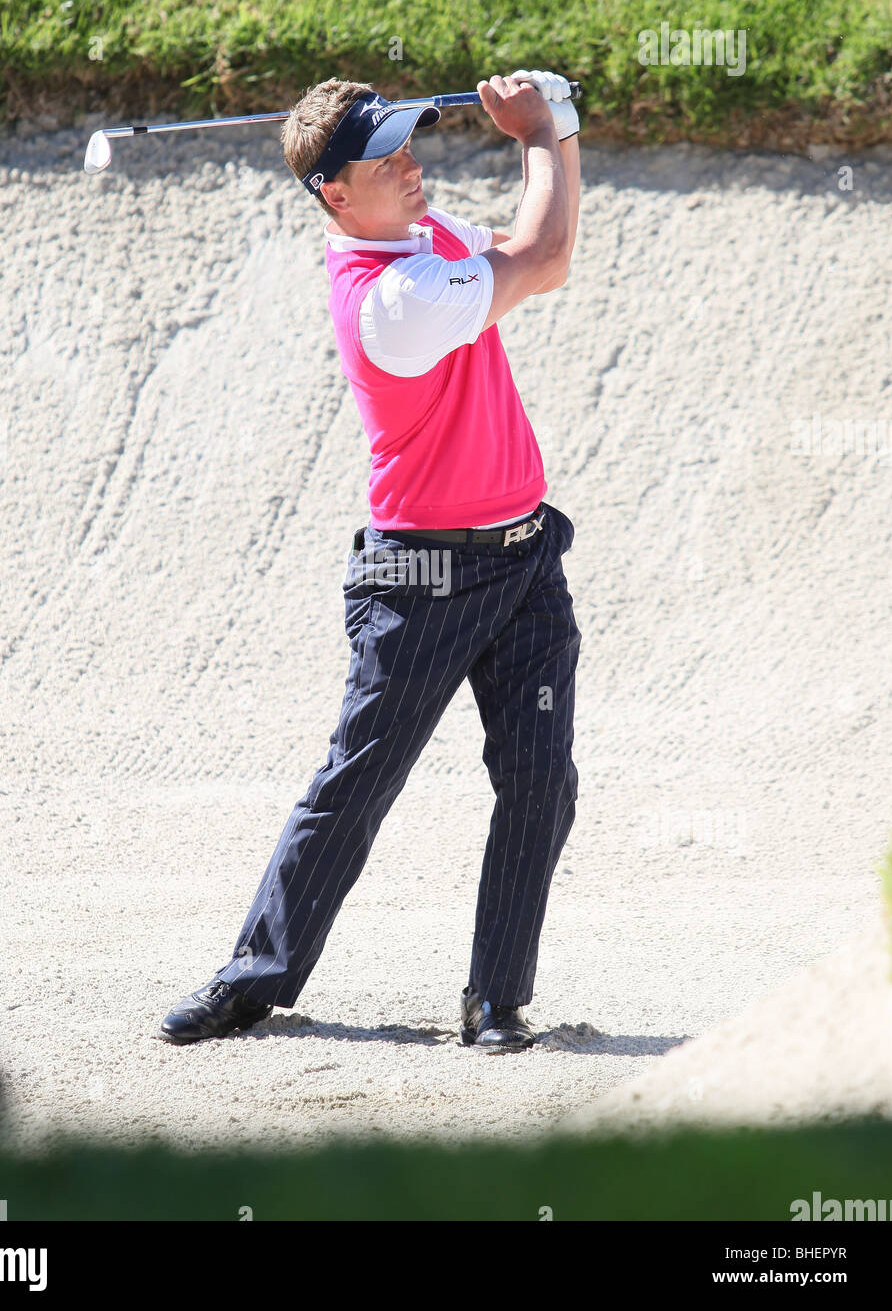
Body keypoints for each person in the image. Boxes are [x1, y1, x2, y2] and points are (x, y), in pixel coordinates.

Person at [160, 70, 582, 1054]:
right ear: (334, 195)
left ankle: (494, 1000)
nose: (408, 161)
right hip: (422, 576)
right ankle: (250, 980)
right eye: (382, 155)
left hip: (523, 558)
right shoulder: (392, 297)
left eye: (406, 139)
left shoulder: (426, 240)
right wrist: (542, 128)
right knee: (358, 777)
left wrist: (549, 133)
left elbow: (532, 244)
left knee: (539, 782)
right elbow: (546, 250)